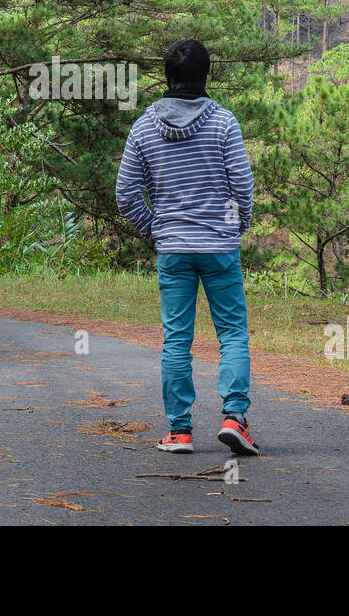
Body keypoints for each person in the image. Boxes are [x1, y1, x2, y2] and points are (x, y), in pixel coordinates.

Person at [115, 39, 259, 456]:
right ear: (206, 76)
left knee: (176, 339)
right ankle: (234, 419)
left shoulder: (143, 128)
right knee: (231, 333)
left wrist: (156, 231)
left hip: (173, 249)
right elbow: (242, 188)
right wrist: (236, 226)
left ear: (167, 78)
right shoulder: (223, 123)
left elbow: (126, 193)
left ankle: (179, 432)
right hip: (219, 247)